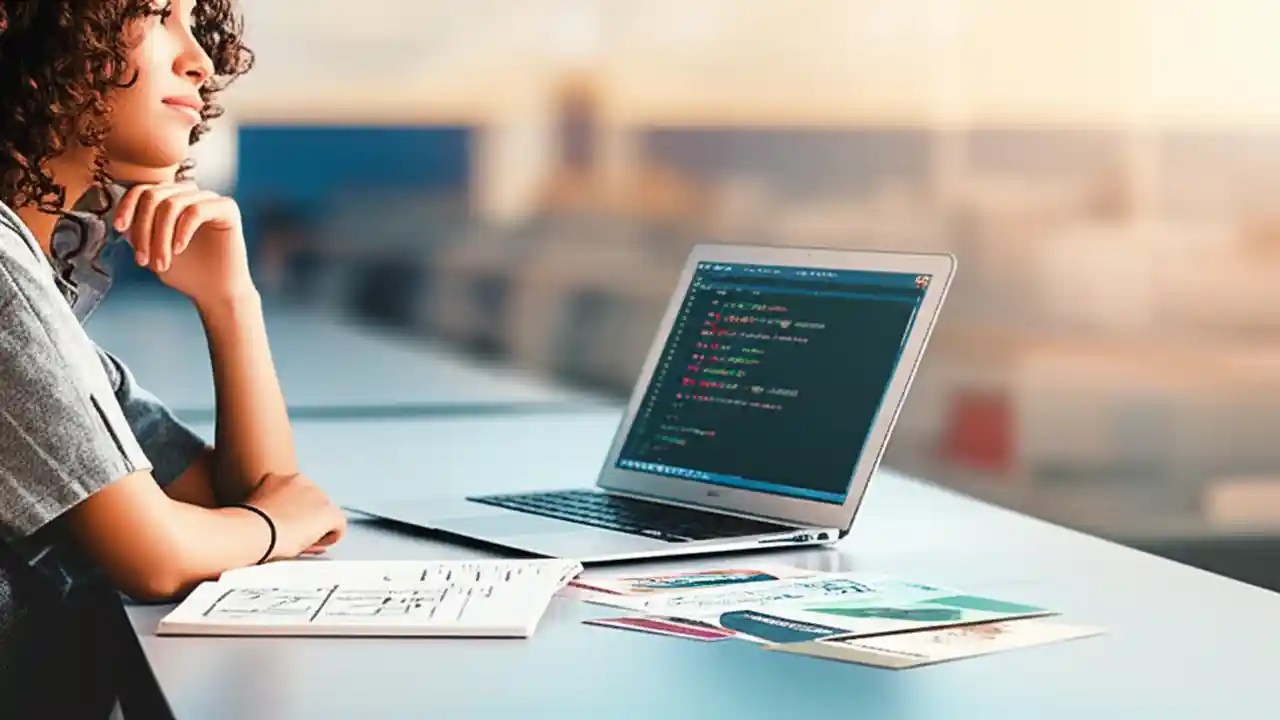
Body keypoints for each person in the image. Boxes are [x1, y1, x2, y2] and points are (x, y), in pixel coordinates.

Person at [0, 1, 347, 715]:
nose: (201, 60)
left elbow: (235, 497)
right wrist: (281, 525)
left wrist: (231, 303)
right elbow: (156, 553)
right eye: (158, 14)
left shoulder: (38, 292)